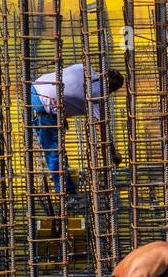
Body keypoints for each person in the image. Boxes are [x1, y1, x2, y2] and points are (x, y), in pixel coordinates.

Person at [30, 63, 123, 195]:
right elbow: (104, 134)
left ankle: (65, 186)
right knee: (54, 151)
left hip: (35, 86)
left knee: (57, 150)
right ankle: (66, 194)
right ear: (111, 90)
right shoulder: (98, 97)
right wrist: (112, 155)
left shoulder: (85, 68)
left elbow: (69, 86)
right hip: (44, 103)